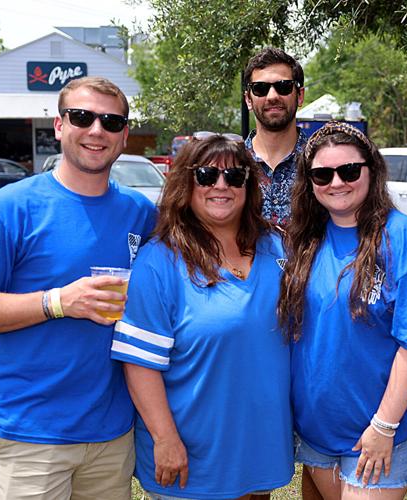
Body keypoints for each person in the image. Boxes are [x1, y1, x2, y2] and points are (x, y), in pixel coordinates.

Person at [0, 76, 156, 499]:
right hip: (29, 432)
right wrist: (58, 301)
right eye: (82, 117)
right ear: (59, 126)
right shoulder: (8, 209)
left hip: (111, 434)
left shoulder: (140, 212)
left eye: (112, 122)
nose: (97, 130)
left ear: (125, 135)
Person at [110, 135, 293, 499]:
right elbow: (140, 364)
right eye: (207, 176)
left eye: (235, 177)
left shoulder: (276, 246)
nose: (221, 185)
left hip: (259, 444)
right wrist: (165, 439)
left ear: (249, 185)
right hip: (191, 453)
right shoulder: (159, 261)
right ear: (186, 184)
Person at [278, 121, 407, 499]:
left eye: (349, 170)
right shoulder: (305, 240)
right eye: (322, 174)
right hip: (318, 430)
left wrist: (384, 427)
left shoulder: (403, 238)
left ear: (372, 171)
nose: (336, 182)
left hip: (382, 427)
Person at [243, 46, 308, 226]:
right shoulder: (232, 165)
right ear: (248, 99)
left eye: (283, 87)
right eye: (260, 89)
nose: (272, 96)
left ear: (300, 96)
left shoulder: (322, 163)